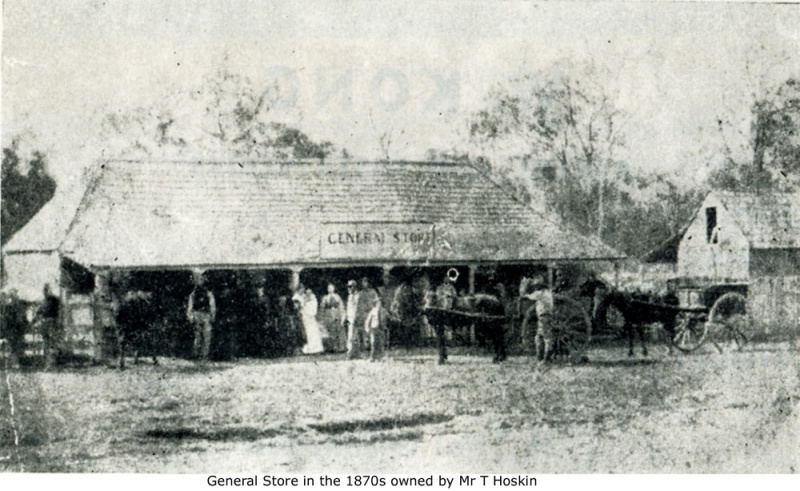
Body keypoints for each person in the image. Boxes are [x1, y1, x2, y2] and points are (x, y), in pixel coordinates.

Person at [521, 276, 555, 363]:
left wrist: (524, 294)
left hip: (543, 317)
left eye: (537, 287)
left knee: (545, 338)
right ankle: (541, 357)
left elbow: (527, 297)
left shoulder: (540, 294)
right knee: (540, 337)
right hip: (546, 316)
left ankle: (546, 359)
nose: (536, 288)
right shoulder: (548, 293)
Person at [187, 275, 216, 360]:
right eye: (199, 280)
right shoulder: (193, 294)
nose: (200, 282)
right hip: (197, 314)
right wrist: (190, 316)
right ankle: (196, 354)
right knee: (197, 336)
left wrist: (212, 315)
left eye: (202, 280)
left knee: (207, 336)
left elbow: (212, 305)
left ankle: (205, 355)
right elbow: (190, 306)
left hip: (206, 315)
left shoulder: (208, 294)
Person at [295, 285, 324, 354]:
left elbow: (313, 307)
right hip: (305, 317)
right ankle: (310, 347)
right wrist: (304, 304)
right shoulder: (300, 298)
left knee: (314, 331)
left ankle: (316, 347)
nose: (306, 293)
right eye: (307, 293)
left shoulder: (311, 299)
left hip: (310, 317)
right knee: (308, 332)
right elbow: (300, 307)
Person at [39, 283, 61, 369]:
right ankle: (47, 363)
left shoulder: (55, 300)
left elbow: (60, 311)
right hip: (45, 322)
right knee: (46, 342)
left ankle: (52, 363)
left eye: (47, 290)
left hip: (52, 322)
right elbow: (39, 311)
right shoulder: (43, 301)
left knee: (52, 342)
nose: (45, 292)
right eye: (44, 290)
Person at [320, 283, 346, 352]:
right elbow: (322, 308)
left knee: (339, 330)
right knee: (331, 331)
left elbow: (341, 306)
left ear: (334, 289)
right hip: (329, 315)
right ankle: (333, 347)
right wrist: (322, 317)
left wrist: (342, 315)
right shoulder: (325, 297)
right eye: (329, 288)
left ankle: (341, 347)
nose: (330, 289)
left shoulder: (337, 296)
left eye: (331, 288)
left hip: (337, 314)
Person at [364, 294, 387, 361]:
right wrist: (367, 328)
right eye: (378, 303)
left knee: (381, 343)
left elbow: (388, 317)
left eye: (380, 303)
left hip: (381, 328)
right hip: (374, 328)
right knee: (373, 342)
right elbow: (368, 320)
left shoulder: (383, 311)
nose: (379, 304)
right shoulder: (373, 311)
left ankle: (381, 356)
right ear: (376, 304)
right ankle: (372, 357)